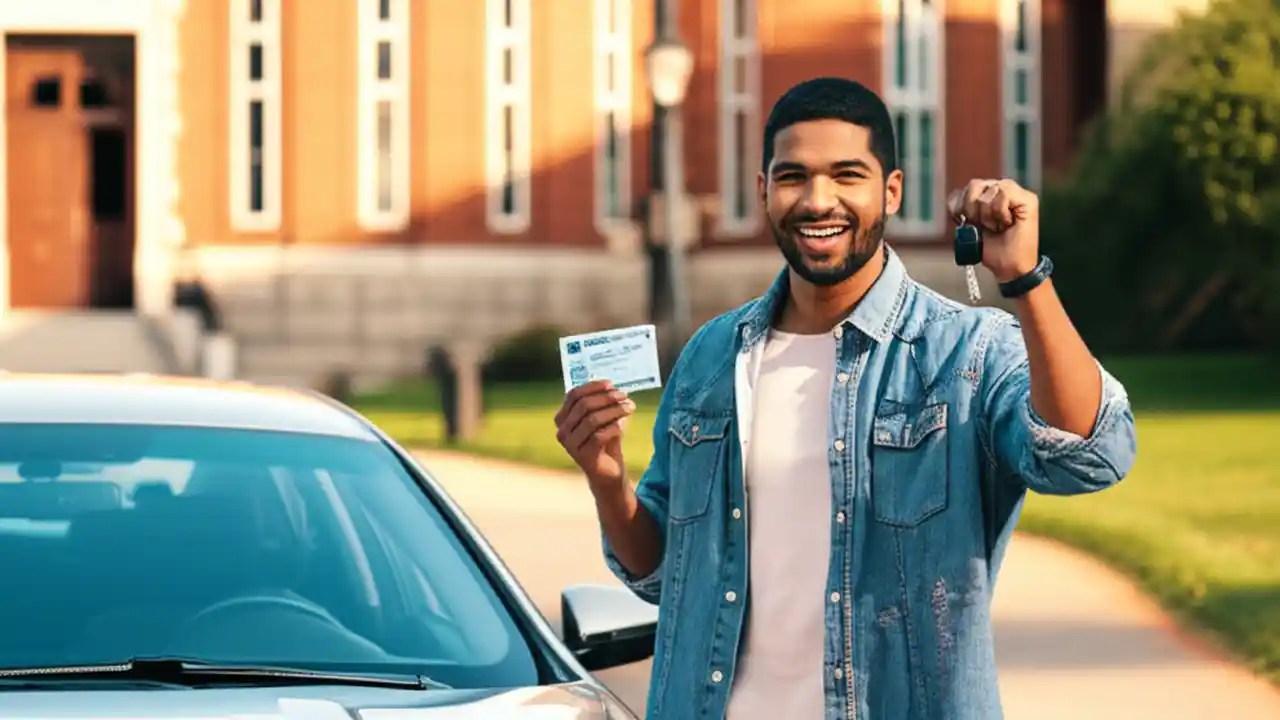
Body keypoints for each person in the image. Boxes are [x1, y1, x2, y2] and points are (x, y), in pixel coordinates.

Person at [554, 77, 1137, 720]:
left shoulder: (963, 354)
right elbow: (665, 575)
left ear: (891, 190)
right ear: (763, 191)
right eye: (793, 176)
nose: (817, 200)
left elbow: (1092, 454)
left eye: (846, 175)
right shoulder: (711, 355)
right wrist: (608, 480)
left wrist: (1024, 279)